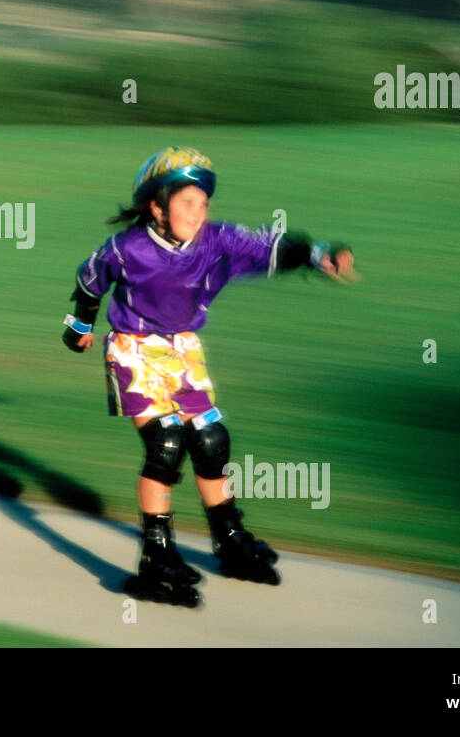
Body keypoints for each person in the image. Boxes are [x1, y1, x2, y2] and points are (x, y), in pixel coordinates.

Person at [61, 147, 357, 606]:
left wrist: (317, 254)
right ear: (156, 206)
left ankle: (229, 536)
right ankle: (156, 556)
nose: (197, 214)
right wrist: (80, 325)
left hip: (184, 351)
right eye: (186, 204)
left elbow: (269, 246)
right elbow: (90, 278)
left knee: (212, 439)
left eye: (203, 204)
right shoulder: (128, 249)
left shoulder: (216, 242)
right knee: (166, 443)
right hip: (133, 351)